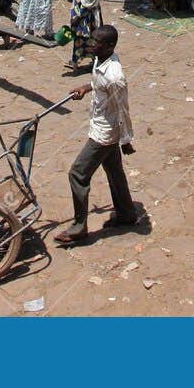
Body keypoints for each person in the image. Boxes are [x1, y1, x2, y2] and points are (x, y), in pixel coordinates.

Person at [54, 25, 139, 245]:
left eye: (96, 42)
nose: (91, 44)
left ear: (110, 46)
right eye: (92, 40)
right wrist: (87, 87)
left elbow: (123, 109)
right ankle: (127, 214)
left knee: (77, 173)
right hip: (101, 125)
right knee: (114, 171)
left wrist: (126, 140)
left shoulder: (115, 77)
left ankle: (79, 227)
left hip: (105, 133)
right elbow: (99, 82)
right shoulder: (101, 59)